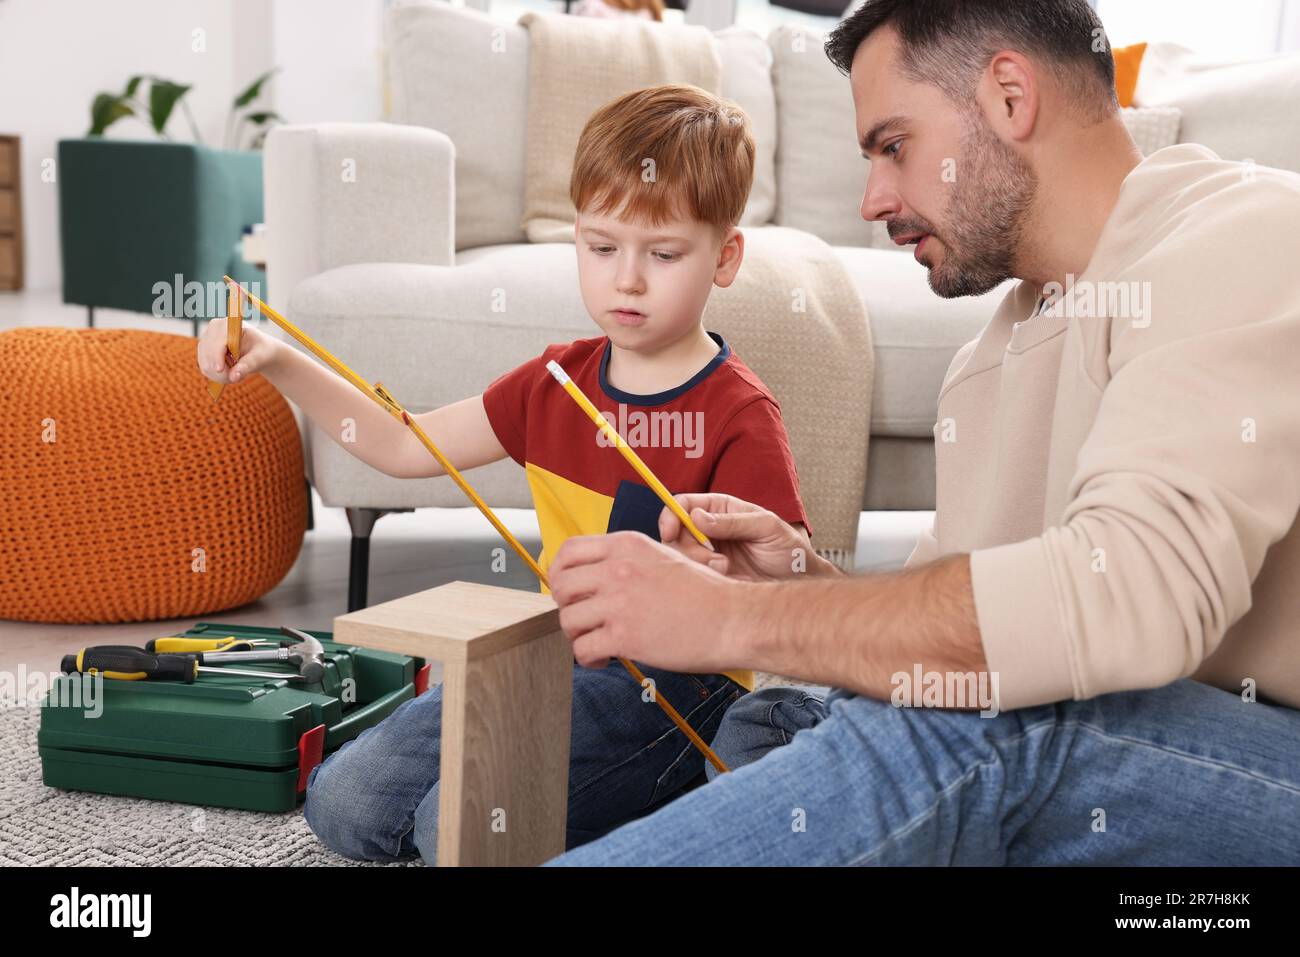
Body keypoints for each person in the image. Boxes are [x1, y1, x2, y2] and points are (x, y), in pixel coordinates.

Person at [543, 0, 1300, 865]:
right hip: (1140, 761)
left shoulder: (1242, 232)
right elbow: (969, 627)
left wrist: (736, 619)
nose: (873, 200)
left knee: (992, 724)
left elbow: (1124, 601)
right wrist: (798, 584)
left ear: (1010, 96)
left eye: (893, 146)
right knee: (808, 716)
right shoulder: (992, 357)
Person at [196, 84, 810, 865]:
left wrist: (721, 576)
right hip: (554, 651)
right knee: (344, 803)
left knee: (453, 826)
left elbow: (791, 586)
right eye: (600, 246)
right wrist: (278, 360)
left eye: (662, 253)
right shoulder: (554, 382)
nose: (626, 279)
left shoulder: (740, 413)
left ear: (724, 256)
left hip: (680, 684)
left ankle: (695, 783)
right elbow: (400, 444)